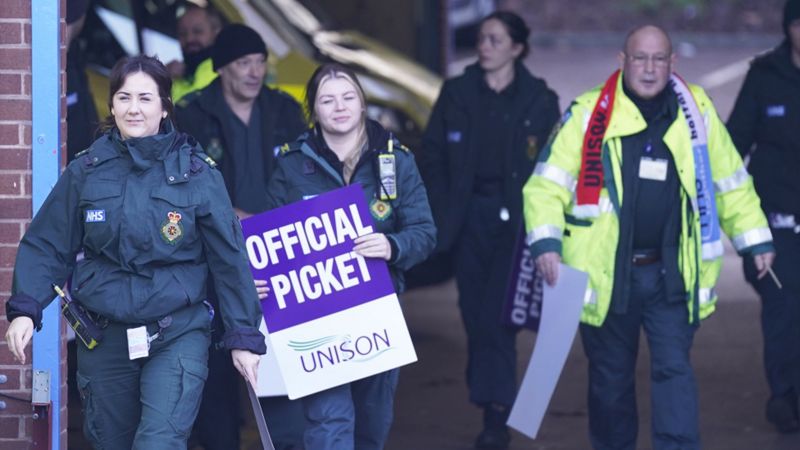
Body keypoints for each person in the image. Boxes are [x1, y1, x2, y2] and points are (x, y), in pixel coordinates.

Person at [523, 25, 775, 450]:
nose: (649, 68)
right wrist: (546, 245)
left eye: (659, 59)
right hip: (607, 277)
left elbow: (731, 181)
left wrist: (756, 240)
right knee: (610, 383)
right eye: (640, 58)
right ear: (622, 62)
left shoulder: (697, 110)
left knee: (674, 372)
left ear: (672, 63)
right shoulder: (587, 114)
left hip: (672, 274)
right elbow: (545, 186)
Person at [4, 55, 265, 450]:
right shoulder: (87, 171)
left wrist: (243, 335)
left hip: (176, 332)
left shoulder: (197, 174)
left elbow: (229, 260)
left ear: (164, 107)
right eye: (124, 98)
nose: (134, 108)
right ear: (111, 106)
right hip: (104, 335)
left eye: (145, 98)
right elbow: (48, 243)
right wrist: (26, 309)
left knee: (158, 443)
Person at [258, 62, 436, 450]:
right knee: (328, 420)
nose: (339, 107)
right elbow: (269, 239)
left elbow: (425, 232)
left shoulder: (395, 159)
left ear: (362, 103)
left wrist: (392, 247)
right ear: (314, 110)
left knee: (372, 422)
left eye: (348, 97)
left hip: (378, 312)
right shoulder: (291, 163)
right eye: (327, 100)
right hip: (315, 315)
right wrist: (259, 275)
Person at [418, 11, 559, 449]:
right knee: (476, 316)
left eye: (495, 40)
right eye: (481, 39)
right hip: (468, 219)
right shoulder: (457, 92)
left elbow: (556, 165)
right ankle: (491, 399)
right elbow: (432, 157)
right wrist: (441, 211)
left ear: (517, 47)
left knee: (499, 318)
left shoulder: (540, 99)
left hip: (518, 223)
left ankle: (495, 415)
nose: (484, 46)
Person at [175, 23, 307, 450]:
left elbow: (306, 176)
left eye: (260, 62)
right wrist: (233, 217)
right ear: (222, 68)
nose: (254, 72)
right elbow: (182, 187)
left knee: (284, 363)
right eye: (243, 63)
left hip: (278, 255)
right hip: (214, 258)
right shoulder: (192, 112)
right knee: (217, 367)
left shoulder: (285, 109)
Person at [727, 0, 800, 434]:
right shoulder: (764, 76)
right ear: (789, 27)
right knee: (782, 304)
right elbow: (733, 146)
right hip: (775, 222)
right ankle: (784, 395)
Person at [167, 3, 223, 102]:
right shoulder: (171, 77)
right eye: (183, 33)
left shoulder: (226, 73)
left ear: (216, 33)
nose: (189, 39)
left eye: (197, 31)